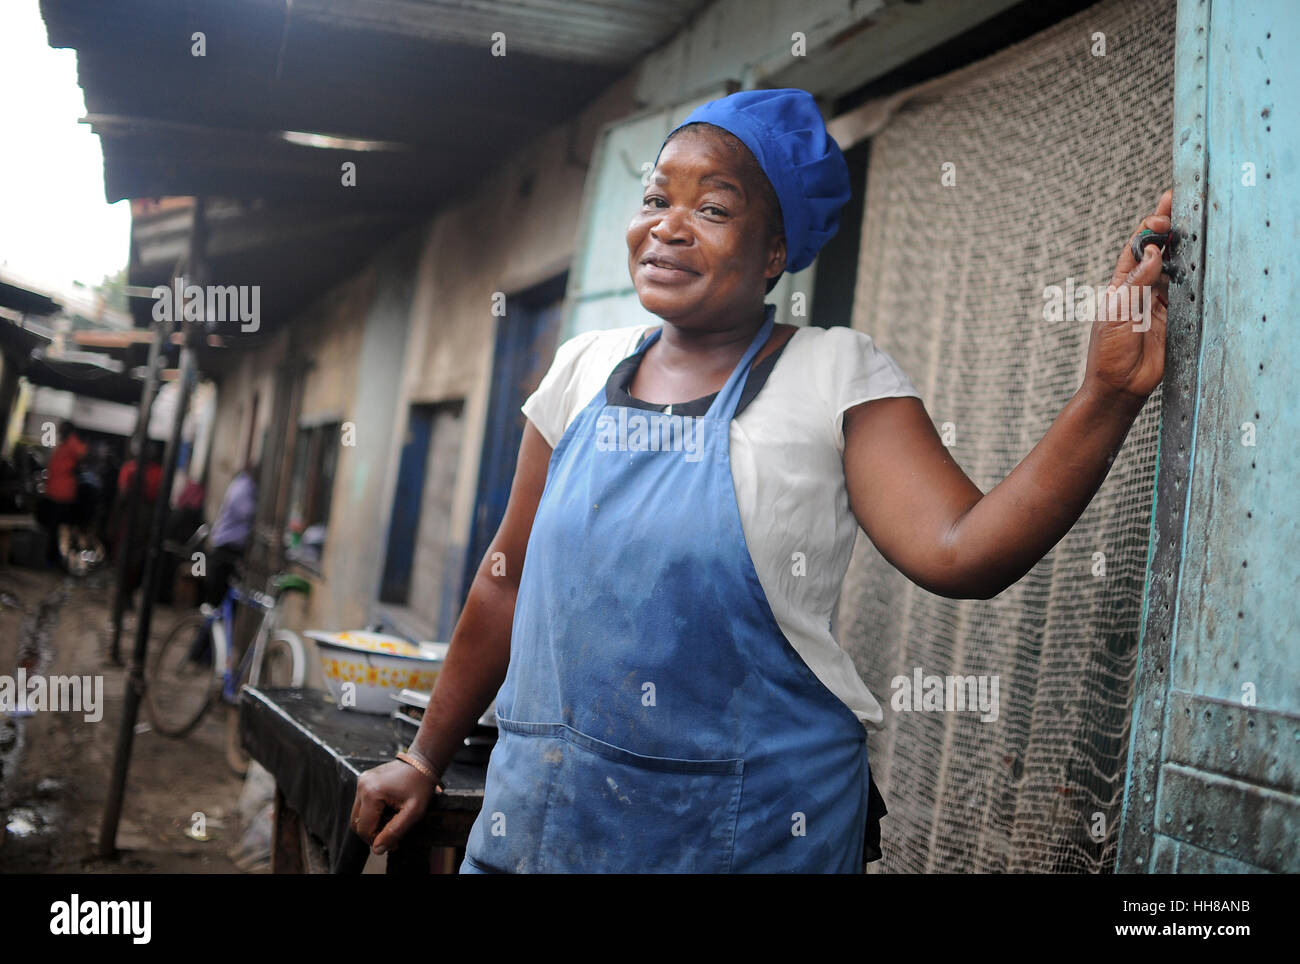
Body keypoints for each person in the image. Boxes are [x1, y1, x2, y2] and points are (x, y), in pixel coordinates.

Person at [351, 88, 1172, 873]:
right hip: (548, 820)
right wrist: (423, 756)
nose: (668, 227)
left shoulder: (832, 374)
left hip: (753, 834)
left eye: (713, 209)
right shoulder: (581, 367)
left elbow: (964, 554)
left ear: (775, 251)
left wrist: (1103, 397)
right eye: (655, 198)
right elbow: (506, 580)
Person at [37, 420, 87, 567]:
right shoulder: (63, 444)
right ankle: (49, 556)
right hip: (53, 492)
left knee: (56, 528)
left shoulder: (72, 443)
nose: (59, 431)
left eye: (62, 429)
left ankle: (53, 559)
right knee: (50, 527)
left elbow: (82, 453)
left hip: (63, 494)